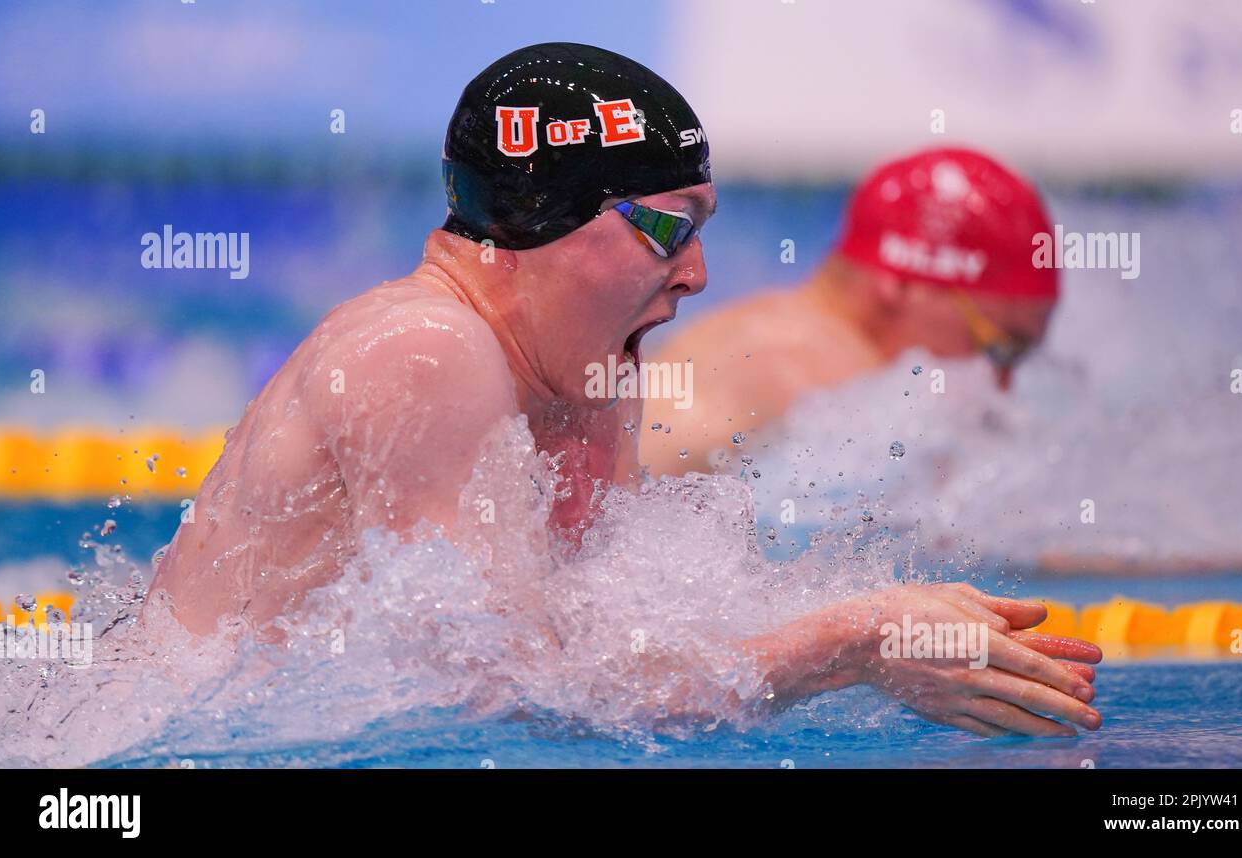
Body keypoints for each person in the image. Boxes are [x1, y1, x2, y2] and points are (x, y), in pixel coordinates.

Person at [145, 46, 1099, 737]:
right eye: (667, 230)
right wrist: (852, 641)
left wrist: (890, 627)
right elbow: (503, 695)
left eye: (702, 229)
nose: (699, 276)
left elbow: (603, 652)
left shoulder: (588, 371)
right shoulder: (423, 349)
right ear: (543, 217)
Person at [642, 147, 1059, 476]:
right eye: (1000, 347)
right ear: (904, 284)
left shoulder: (789, 336)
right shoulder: (798, 369)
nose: (1001, 384)